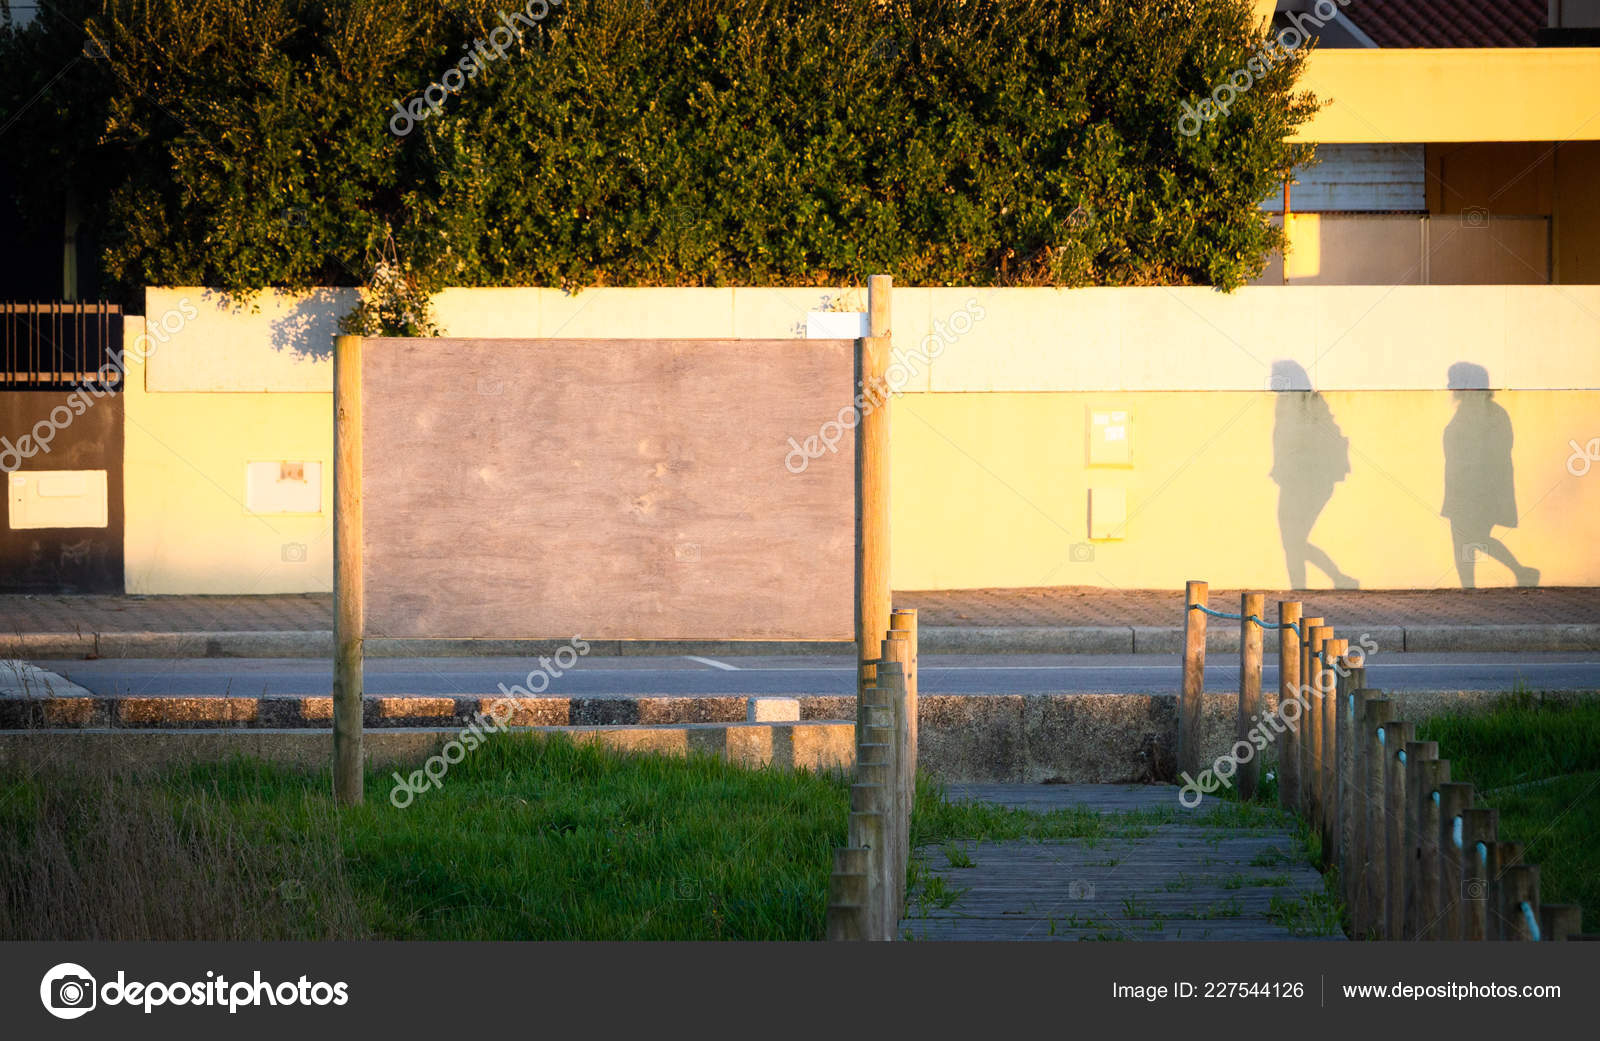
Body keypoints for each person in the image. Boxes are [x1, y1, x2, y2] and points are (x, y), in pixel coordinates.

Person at [1442, 362, 1539, 588]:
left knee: (1472, 538)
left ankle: (1516, 572)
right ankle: (1471, 587)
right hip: (1463, 488)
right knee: (1464, 540)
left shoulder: (1489, 414)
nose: (1451, 388)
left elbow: (1495, 452)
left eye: (1455, 382)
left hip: (1477, 489)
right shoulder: (1475, 411)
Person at [1269, 360, 1359, 589]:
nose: (1271, 381)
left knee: (1293, 540)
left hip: (1310, 481)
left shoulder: (1309, 403)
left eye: (1276, 375)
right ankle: (1308, 585)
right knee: (1292, 541)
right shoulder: (1286, 403)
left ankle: (1310, 585)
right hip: (1294, 480)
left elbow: (1308, 440)